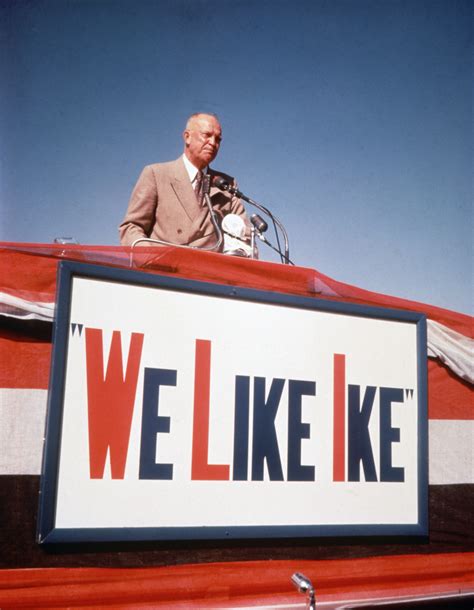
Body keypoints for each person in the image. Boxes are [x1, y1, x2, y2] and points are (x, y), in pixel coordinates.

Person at [119, 113, 250, 252]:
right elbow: (131, 227)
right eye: (206, 135)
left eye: (218, 139)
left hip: (208, 271)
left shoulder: (226, 185)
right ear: (187, 137)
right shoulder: (156, 174)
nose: (213, 143)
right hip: (162, 269)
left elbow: (243, 237)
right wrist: (150, 257)